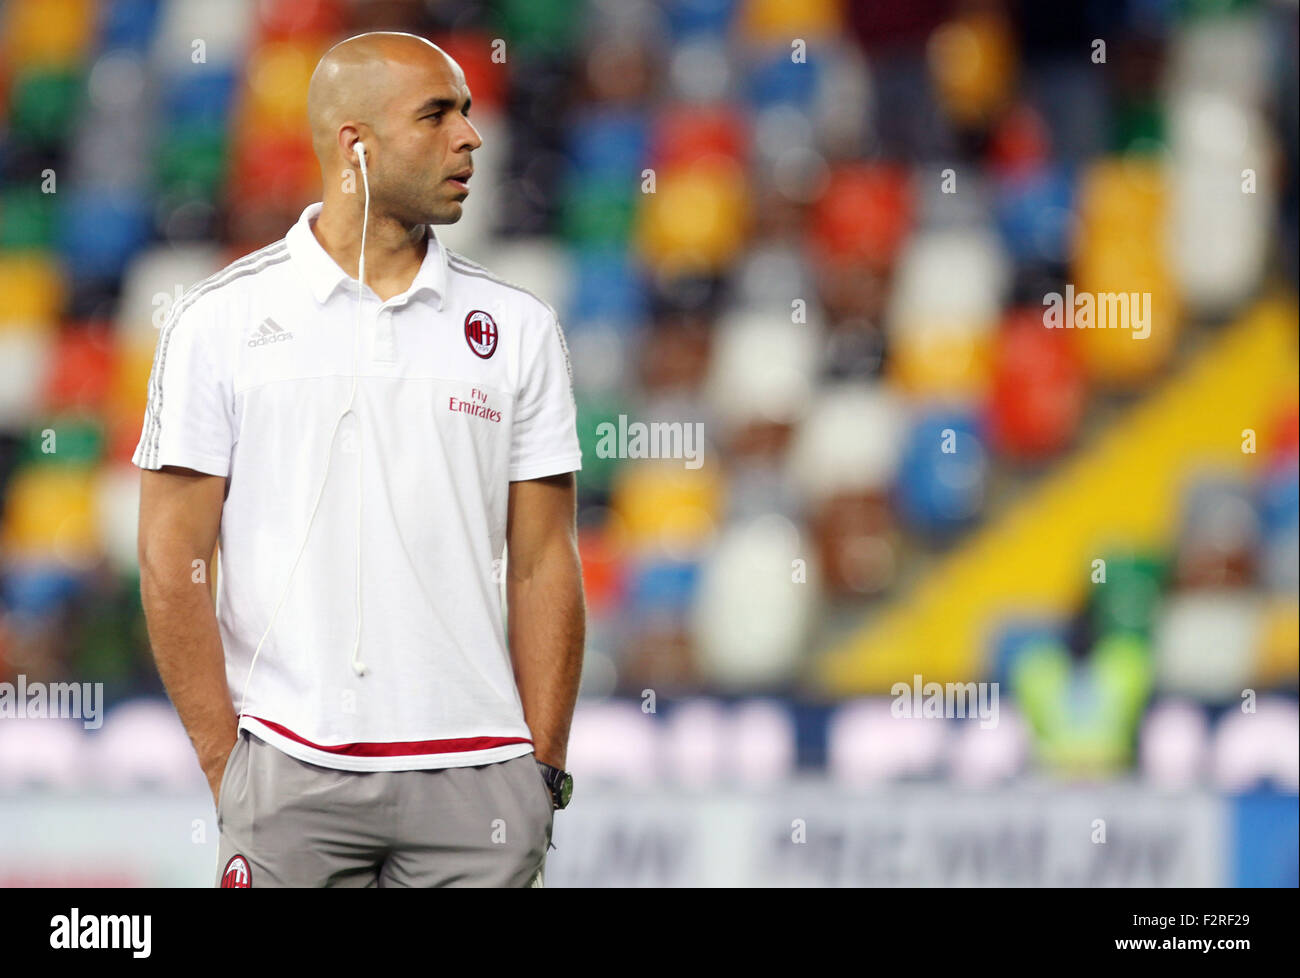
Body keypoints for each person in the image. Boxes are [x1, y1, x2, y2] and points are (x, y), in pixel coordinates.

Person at [134, 32, 585, 887]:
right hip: (287, 767)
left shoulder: (520, 329)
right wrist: (228, 767)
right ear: (356, 145)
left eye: (467, 111)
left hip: (479, 776)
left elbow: (541, 562)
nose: (470, 137)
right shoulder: (215, 322)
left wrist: (542, 771)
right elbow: (172, 557)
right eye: (437, 114)